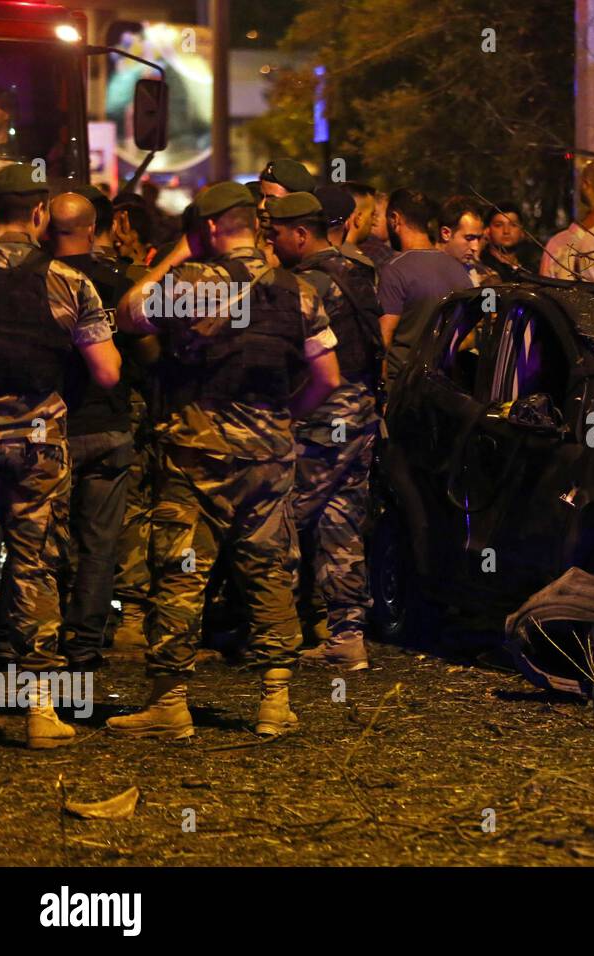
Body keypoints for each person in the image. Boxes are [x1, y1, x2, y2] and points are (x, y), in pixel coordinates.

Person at [110, 181, 341, 740]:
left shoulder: (189, 284)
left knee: (182, 572)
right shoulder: (296, 290)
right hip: (269, 455)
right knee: (268, 569)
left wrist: (178, 252)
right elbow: (328, 377)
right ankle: (274, 702)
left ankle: (169, 703)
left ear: (210, 229)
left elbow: (127, 315)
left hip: (196, 456)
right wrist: (284, 415)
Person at [0, 164, 121, 748]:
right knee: (33, 564)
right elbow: (108, 372)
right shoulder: (69, 281)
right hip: (36, 441)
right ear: (38, 215)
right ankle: (41, 708)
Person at [268, 192, 381, 671]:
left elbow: (296, 358)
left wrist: (288, 410)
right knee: (342, 522)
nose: (271, 244)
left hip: (321, 417)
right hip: (361, 412)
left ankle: (273, 635)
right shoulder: (358, 271)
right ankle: (347, 637)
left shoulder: (305, 284)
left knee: (281, 521)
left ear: (300, 234)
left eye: (275, 234)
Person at [49, 192, 148, 672]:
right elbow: (148, 354)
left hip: (52, 431)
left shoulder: (35, 282)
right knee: (99, 546)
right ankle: (83, 647)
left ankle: (30, 644)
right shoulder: (122, 283)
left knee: (42, 543)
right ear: (93, 230)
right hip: (108, 427)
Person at [378, 187, 471, 388]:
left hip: (402, 388)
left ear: (395, 219)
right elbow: (469, 338)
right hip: (444, 387)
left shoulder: (394, 270)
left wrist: (382, 392)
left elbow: (383, 339)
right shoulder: (458, 270)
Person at [438, 196, 495, 286]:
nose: (475, 247)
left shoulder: (483, 274)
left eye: (478, 238)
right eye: (469, 238)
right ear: (446, 233)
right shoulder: (426, 271)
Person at [480, 202, 538, 280]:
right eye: (498, 225)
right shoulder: (481, 266)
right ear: (487, 230)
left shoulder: (530, 270)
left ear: (522, 232)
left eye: (513, 225)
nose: (506, 231)